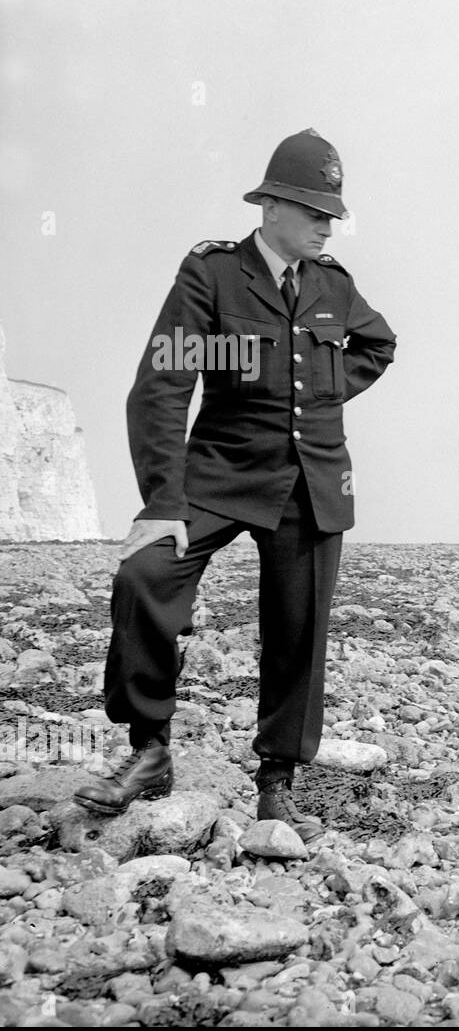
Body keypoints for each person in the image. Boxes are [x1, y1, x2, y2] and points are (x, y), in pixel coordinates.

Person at [72, 129, 397, 843]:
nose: (325, 223)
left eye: (332, 214)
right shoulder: (214, 274)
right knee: (145, 575)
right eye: (313, 210)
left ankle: (278, 782)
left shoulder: (332, 285)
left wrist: (322, 390)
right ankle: (149, 749)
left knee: (298, 630)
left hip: (310, 480)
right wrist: (162, 501)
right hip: (219, 470)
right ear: (272, 205)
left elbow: (379, 344)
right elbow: (161, 387)